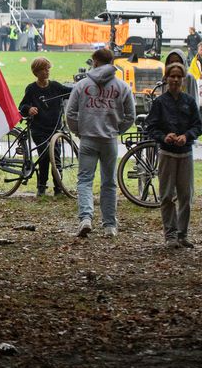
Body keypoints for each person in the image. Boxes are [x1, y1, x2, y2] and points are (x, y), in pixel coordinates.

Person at [65, 47, 136, 238]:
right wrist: (117, 129)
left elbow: (70, 113)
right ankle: (109, 225)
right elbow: (131, 115)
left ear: (95, 62)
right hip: (109, 140)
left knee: (85, 180)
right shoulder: (122, 86)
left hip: (88, 138)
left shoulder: (82, 85)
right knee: (109, 182)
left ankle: (86, 218)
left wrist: (78, 130)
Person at [145, 62, 202, 249]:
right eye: (172, 76)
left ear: (183, 79)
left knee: (186, 196)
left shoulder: (189, 101)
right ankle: (170, 234)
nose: (175, 79)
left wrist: (187, 136)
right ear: (166, 78)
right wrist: (164, 136)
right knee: (167, 195)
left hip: (185, 154)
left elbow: (198, 125)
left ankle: (182, 234)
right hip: (167, 154)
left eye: (179, 76)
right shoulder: (160, 102)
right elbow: (151, 127)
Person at [17, 57, 73, 197]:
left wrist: (84, 85)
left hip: (55, 129)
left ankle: (58, 188)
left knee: (56, 156)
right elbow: (22, 106)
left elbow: (70, 91)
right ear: (36, 72)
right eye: (43, 69)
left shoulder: (55, 86)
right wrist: (29, 109)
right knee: (45, 155)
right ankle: (41, 186)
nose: (46, 72)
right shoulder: (31, 89)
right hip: (38, 129)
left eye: (48, 68)